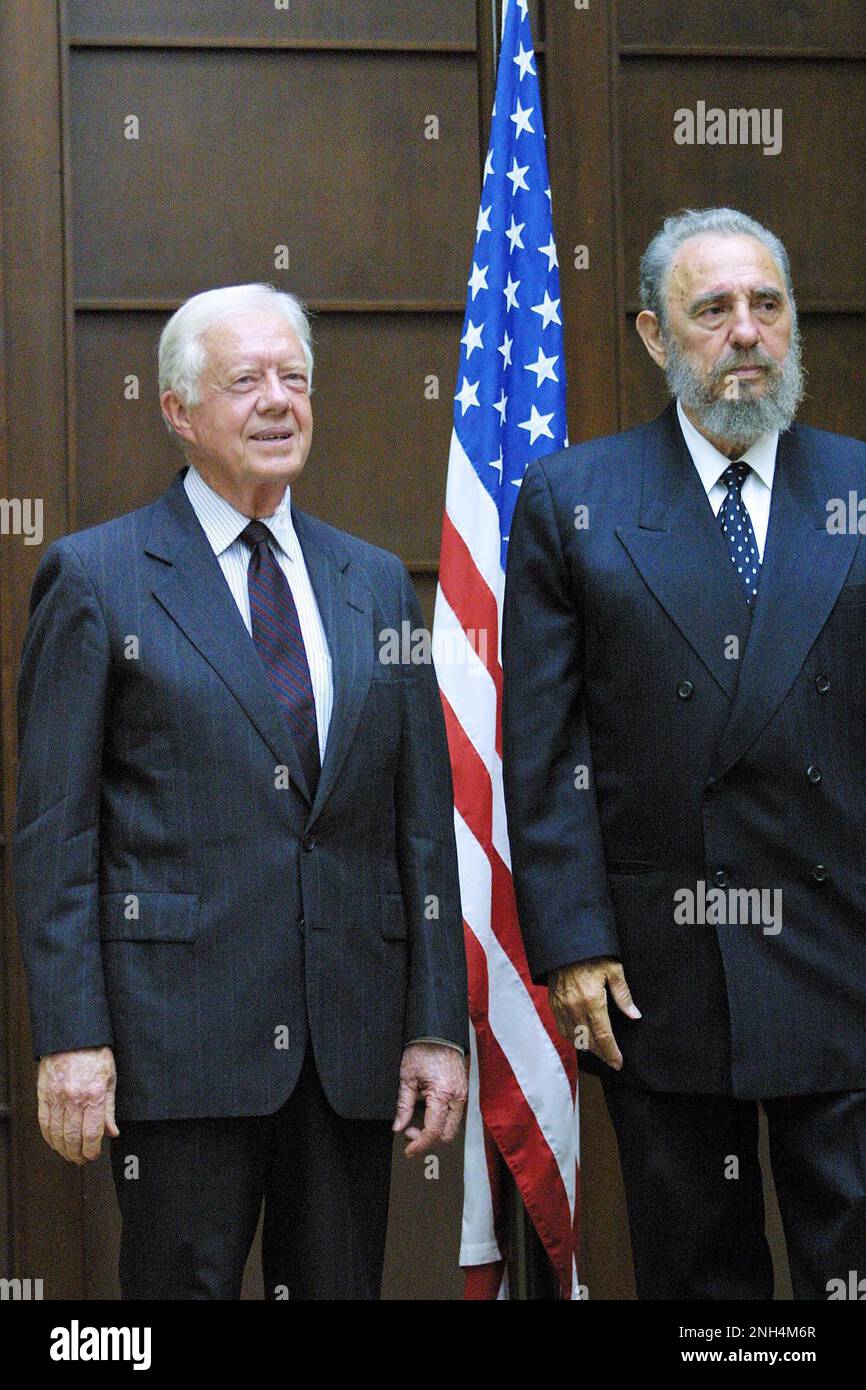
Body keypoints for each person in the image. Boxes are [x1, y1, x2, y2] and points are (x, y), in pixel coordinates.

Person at [14, 283, 469, 1300]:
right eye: (246, 380)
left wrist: (436, 1022)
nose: (278, 400)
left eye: (294, 377)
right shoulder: (97, 578)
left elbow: (421, 829)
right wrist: (72, 1037)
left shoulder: (373, 582)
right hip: (178, 1043)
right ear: (178, 409)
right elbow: (55, 834)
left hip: (348, 1050)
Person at [502, 207, 866, 1300]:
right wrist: (569, 940)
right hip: (658, 965)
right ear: (656, 338)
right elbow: (543, 742)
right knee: (697, 1272)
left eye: (766, 305)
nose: (745, 332)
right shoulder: (573, 501)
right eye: (712, 310)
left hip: (843, 948)